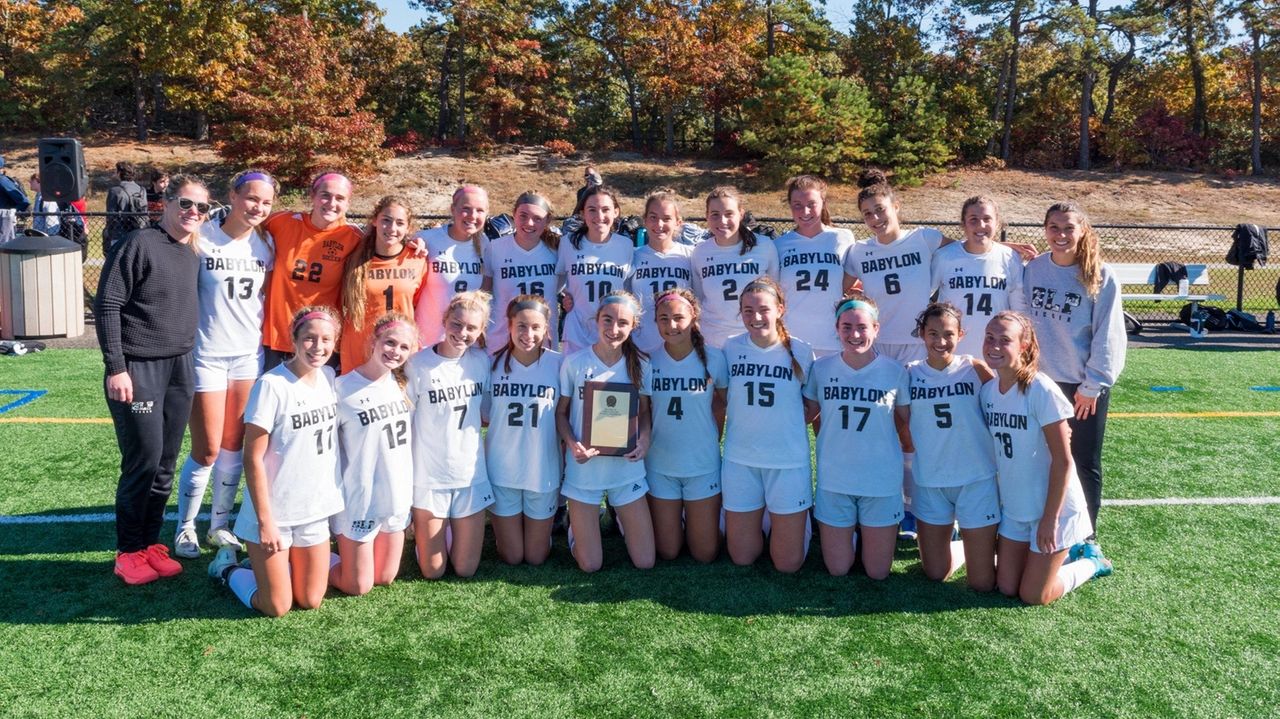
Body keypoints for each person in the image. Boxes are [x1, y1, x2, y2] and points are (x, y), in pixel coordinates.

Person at [95, 174, 206, 585]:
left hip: (180, 367)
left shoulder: (191, 253)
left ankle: (149, 545)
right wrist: (116, 366)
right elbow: (107, 305)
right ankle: (128, 552)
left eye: (201, 208)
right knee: (142, 462)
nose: (193, 212)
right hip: (139, 369)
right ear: (166, 203)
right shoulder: (139, 244)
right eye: (186, 204)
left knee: (164, 464)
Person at [207, 306, 344, 616]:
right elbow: (252, 457)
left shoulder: (328, 377)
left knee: (310, 600)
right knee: (277, 606)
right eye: (309, 338)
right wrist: (267, 522)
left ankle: (274, 566)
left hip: (312, 510)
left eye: (326, 339)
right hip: (275, 512)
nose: (318, 347)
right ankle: (228, 569)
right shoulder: (271, 385)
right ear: (293, 339)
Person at [173, 169, 277, 559]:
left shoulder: (267, 243)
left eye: (266, 202)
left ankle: (219, 525)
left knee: (235, 445)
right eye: (252, 198)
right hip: (207, 355)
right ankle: (185, 527)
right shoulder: (202, 237)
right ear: (233, 196)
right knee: (208, 449)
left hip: (248, 356)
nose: (258, 207)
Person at [981, 311, 1112, 605]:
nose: (995, 346)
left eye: (1005, 340)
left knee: (1033, 595)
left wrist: (1050, 520)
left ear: (1024, 346)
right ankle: (1050, 561)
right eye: (990, 338)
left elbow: (1064, 461)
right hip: (1017, 508)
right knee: (1006, 587)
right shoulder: (988, 391)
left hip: (1054, 510)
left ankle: (1091, 563)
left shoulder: (1040, 389)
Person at [1023, 202, 1126, 544]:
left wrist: (1093, 384)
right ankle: (1040, 528)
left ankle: (1087, 538)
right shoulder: (1034, 269)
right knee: (1038, 460)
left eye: (1069, 228)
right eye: (1054, 227)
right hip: (1039, 383)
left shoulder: (1100, 274)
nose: (1061, 235)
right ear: (1045, 230)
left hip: (1081, 388)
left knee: (1083, 462)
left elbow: (1108, 335)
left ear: (1083, 231)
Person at [804, 295, 909, 579]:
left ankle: (866, 534)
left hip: (881, 481)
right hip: (835, 479)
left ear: (876, 328)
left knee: (877, 573)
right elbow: (807, 414)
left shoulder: (895, 371)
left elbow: (906, 424)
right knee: (838, 569)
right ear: (836, 328)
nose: (855, 334)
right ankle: (849, 533)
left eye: (862, 327)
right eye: (847, 327)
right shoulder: (821, 368)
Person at [555, 291, 656, 572]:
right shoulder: (575, 363)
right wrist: (573, 444)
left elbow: (645, 412)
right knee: (590, 565)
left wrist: (644, 439)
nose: (614, 329)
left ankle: (622, 517)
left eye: (622, 323)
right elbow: (561, 414)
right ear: (596, 320)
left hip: (626, 470)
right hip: (585, 469)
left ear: (634, 325)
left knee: (646, 562)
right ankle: (576, 528)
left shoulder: (643, 364)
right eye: (607, 320)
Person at [721, 277, 815, 573]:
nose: (756, 317)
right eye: (747, 311)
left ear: (780, 309)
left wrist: (782, 426)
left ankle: (798, 522)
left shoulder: (801, 351)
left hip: (787, 462)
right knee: (742, 557)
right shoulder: (730, 348)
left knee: (788, 564)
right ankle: (765, 516)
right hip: (740, 460)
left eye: (763, 309)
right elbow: (723, 396)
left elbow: (812, 405)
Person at [906, 302, 999, 591]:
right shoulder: (908, 373)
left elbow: (1002, 407)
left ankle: (984, 550)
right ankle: (965, 548)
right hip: (930, 481)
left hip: (975, 479)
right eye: (933, 333)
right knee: (936, 574)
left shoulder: (974, 369)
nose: (940, 341)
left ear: (961, 334)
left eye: (948, 334)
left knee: (982, 583)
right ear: (922, 334)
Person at [407, 291, 494, 579]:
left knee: (466, 569)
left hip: (470, 474)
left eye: (471, 328)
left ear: (481, 331)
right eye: (456, 324)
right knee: (433, 571)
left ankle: (442, 535)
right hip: (430, 477)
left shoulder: (482, 362)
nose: (462, 333)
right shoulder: (417, 364)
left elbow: (487, 411)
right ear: (444, 320)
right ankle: (431, 537)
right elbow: (406, 422)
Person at [329, 312, 417, 595]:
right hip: (359, 499)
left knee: (385, 577)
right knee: (358, 585)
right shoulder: (341, 388)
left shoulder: (406, 385)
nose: (396, 351)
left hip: (395, 495)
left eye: (404, 347)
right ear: (374, 341)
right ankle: (305, 558)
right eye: (390, 343)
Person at [646, 288, 726, 563]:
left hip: (702, 464)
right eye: (663, 319)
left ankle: (713, 518)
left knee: (705, 554)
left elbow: (723, 403)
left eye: (679, 318)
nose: (672, 325)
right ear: (655, 322)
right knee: (667, 551)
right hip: (660, 465)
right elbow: (642, 412)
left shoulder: (715, 359)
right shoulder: (648, 361)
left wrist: (711, 437)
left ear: (694, 318)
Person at [484, 295, 562, 565]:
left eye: (536, 327)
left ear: (546, 329)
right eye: (521, 326)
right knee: (512, 557)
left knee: (536, 557)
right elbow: (483, 416)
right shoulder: (490, 365)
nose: (528, 334)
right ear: (509, 326)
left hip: (542, 471)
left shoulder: (560, 365)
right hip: (502, 470)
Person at [260, 172, 365, 370]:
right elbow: (243, 226)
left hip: (322, 343)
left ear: (348, 204)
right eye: (325, 195)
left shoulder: (355, 238)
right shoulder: (282, 222)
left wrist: (415, 243)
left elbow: (390, 249)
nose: (331, 203)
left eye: (340, 198)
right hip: (278, 337)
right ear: (312, 196)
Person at [339, 195, 429, 373]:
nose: (392, 228)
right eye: (386, 220)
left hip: (399, 350)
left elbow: (419, 306)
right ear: (375, 221)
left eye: (400, 223)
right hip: (359, 347)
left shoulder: (417, 259)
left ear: (408, 227)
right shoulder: (354, 256)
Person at [931, 196, 1027, 358]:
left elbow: (1019, 311)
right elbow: (924, 297)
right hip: (953, 353)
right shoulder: (944, 256)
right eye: (973, 219)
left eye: (987, 219)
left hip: (996, 353)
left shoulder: (1010, 258)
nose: (981, 225)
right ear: (963, 224)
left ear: (997, 222)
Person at [774, 176, 857, 357]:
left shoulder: (842, 237)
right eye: (797, 204)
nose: (805, 211)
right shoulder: (779, 245)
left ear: (823, 202)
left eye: (811, 204)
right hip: (791, 339)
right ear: (790, 206)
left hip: (832, 339)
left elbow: (849, 278)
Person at [690, 187, 779, 348]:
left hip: (753, 339)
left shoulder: (764, 246)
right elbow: (700, 299)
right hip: (713, 341)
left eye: (729, 214)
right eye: (715, 214)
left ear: (741, 214)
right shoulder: (700, 252)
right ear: (707, 217)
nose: (722, 221)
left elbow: (776, 294)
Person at [480, 191, 561, 354]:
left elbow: (569, 287)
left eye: (537, 218)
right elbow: (485, 295)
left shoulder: (557, 250)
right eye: (523, 216)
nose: (529, 223)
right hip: (501, 339)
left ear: (548, 221)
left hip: (542, 340)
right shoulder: (495, 248)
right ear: (513, 215)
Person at [556, 186, 634, 355]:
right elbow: (557, 282)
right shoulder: (568, 243)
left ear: (616, 212)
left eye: (605, 209)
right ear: (582, 213)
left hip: (612, 334)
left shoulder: (626, 245)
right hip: (577, 332)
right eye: (592, 210)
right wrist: (564, 298)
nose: (599, 216)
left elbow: (629, 290)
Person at [414, 185, 489, 347]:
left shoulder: (485, 244)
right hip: (428, 342)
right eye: (466, 209)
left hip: (465, 344)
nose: (472, 216)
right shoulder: (427, 239)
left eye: (480, 210)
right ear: (453, 209)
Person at [627, 188, 696, 354]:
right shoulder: (633, 255)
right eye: (653, 217)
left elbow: (700, 300)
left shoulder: (691, 255)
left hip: (680, 346)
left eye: (666, 219)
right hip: (642, 346)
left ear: (678, 222)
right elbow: (626, 300)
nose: (659, 224)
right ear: (645, 220)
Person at [104, 161, 148, 250]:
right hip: (139, 233)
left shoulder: (115, 191)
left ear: (119, 173)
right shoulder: (142, 191)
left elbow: (110, 216)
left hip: (119, 234)